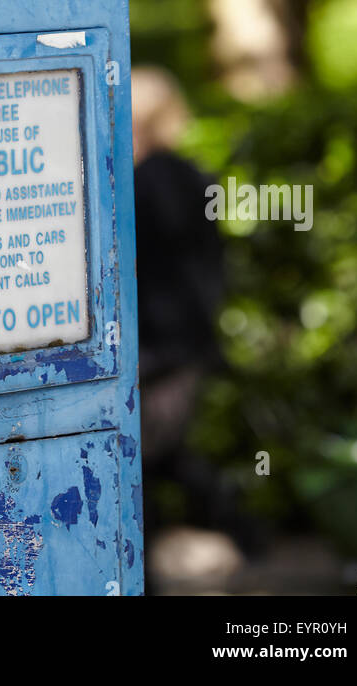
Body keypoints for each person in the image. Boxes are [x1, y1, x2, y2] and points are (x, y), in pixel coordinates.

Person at [132, 67, 251, 545]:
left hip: (154, 348)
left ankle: (237, 530)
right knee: (165, 455)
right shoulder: (198, 178)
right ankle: (242, 528)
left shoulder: (137, 186)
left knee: (140, 462)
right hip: (188, 343)